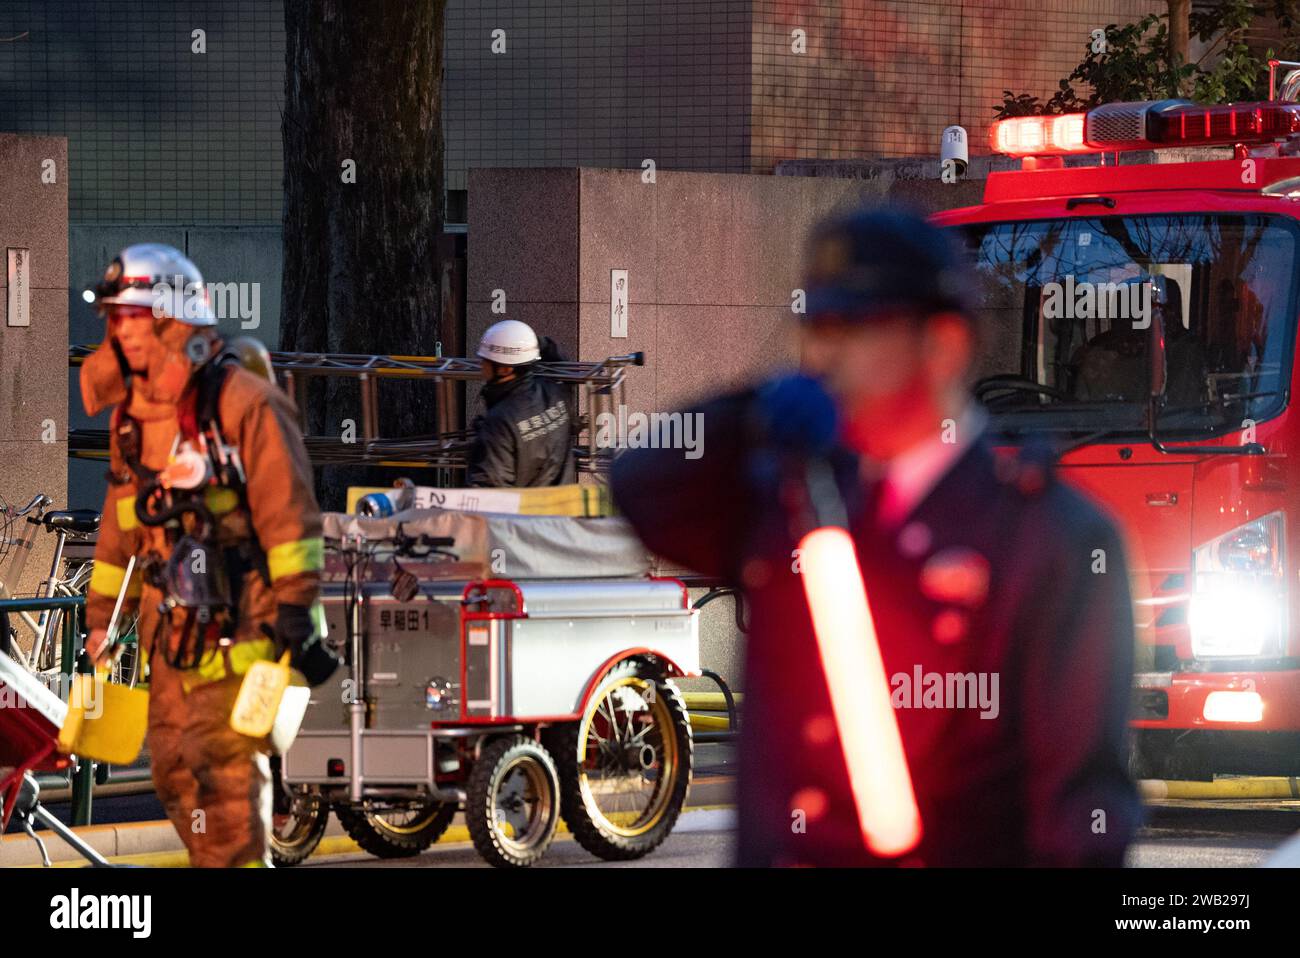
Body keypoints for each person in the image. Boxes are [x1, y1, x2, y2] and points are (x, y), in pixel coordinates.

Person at [611, 208, 1141, 867]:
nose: (826, 355)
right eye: (818, 327)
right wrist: (754, 412)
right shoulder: (791, 498)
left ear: (942, 345)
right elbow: (642, 489)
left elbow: (1078, 812)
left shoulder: (1047, 536)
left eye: (857, 327)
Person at [79, 243, 338, 868]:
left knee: (226, 800)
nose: (118, 333)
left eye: (130, 318)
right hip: (171, 642)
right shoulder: (131, 422)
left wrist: (297, 613)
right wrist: (99, 623)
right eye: (114, 319)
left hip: (242, 634)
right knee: (175, 779)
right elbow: (120, 534)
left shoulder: (246, 404)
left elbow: (290, 521)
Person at [467, 319, 577, 487]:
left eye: (486, 360)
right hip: (563, 507)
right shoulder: (556, 390)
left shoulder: (499, 424)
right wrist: (532, 343)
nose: (482, 365)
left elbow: (488, 493)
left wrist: (483, 448)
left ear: (505, 369)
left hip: (529, 513)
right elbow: (563, 363)